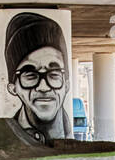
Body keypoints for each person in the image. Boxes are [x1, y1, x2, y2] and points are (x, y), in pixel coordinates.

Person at [4, 11, 72, 144]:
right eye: (30, 76)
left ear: (67, 85)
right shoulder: (7, 138)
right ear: (13, 88)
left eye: (54, 74)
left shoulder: (68, 132)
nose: (44, 87)